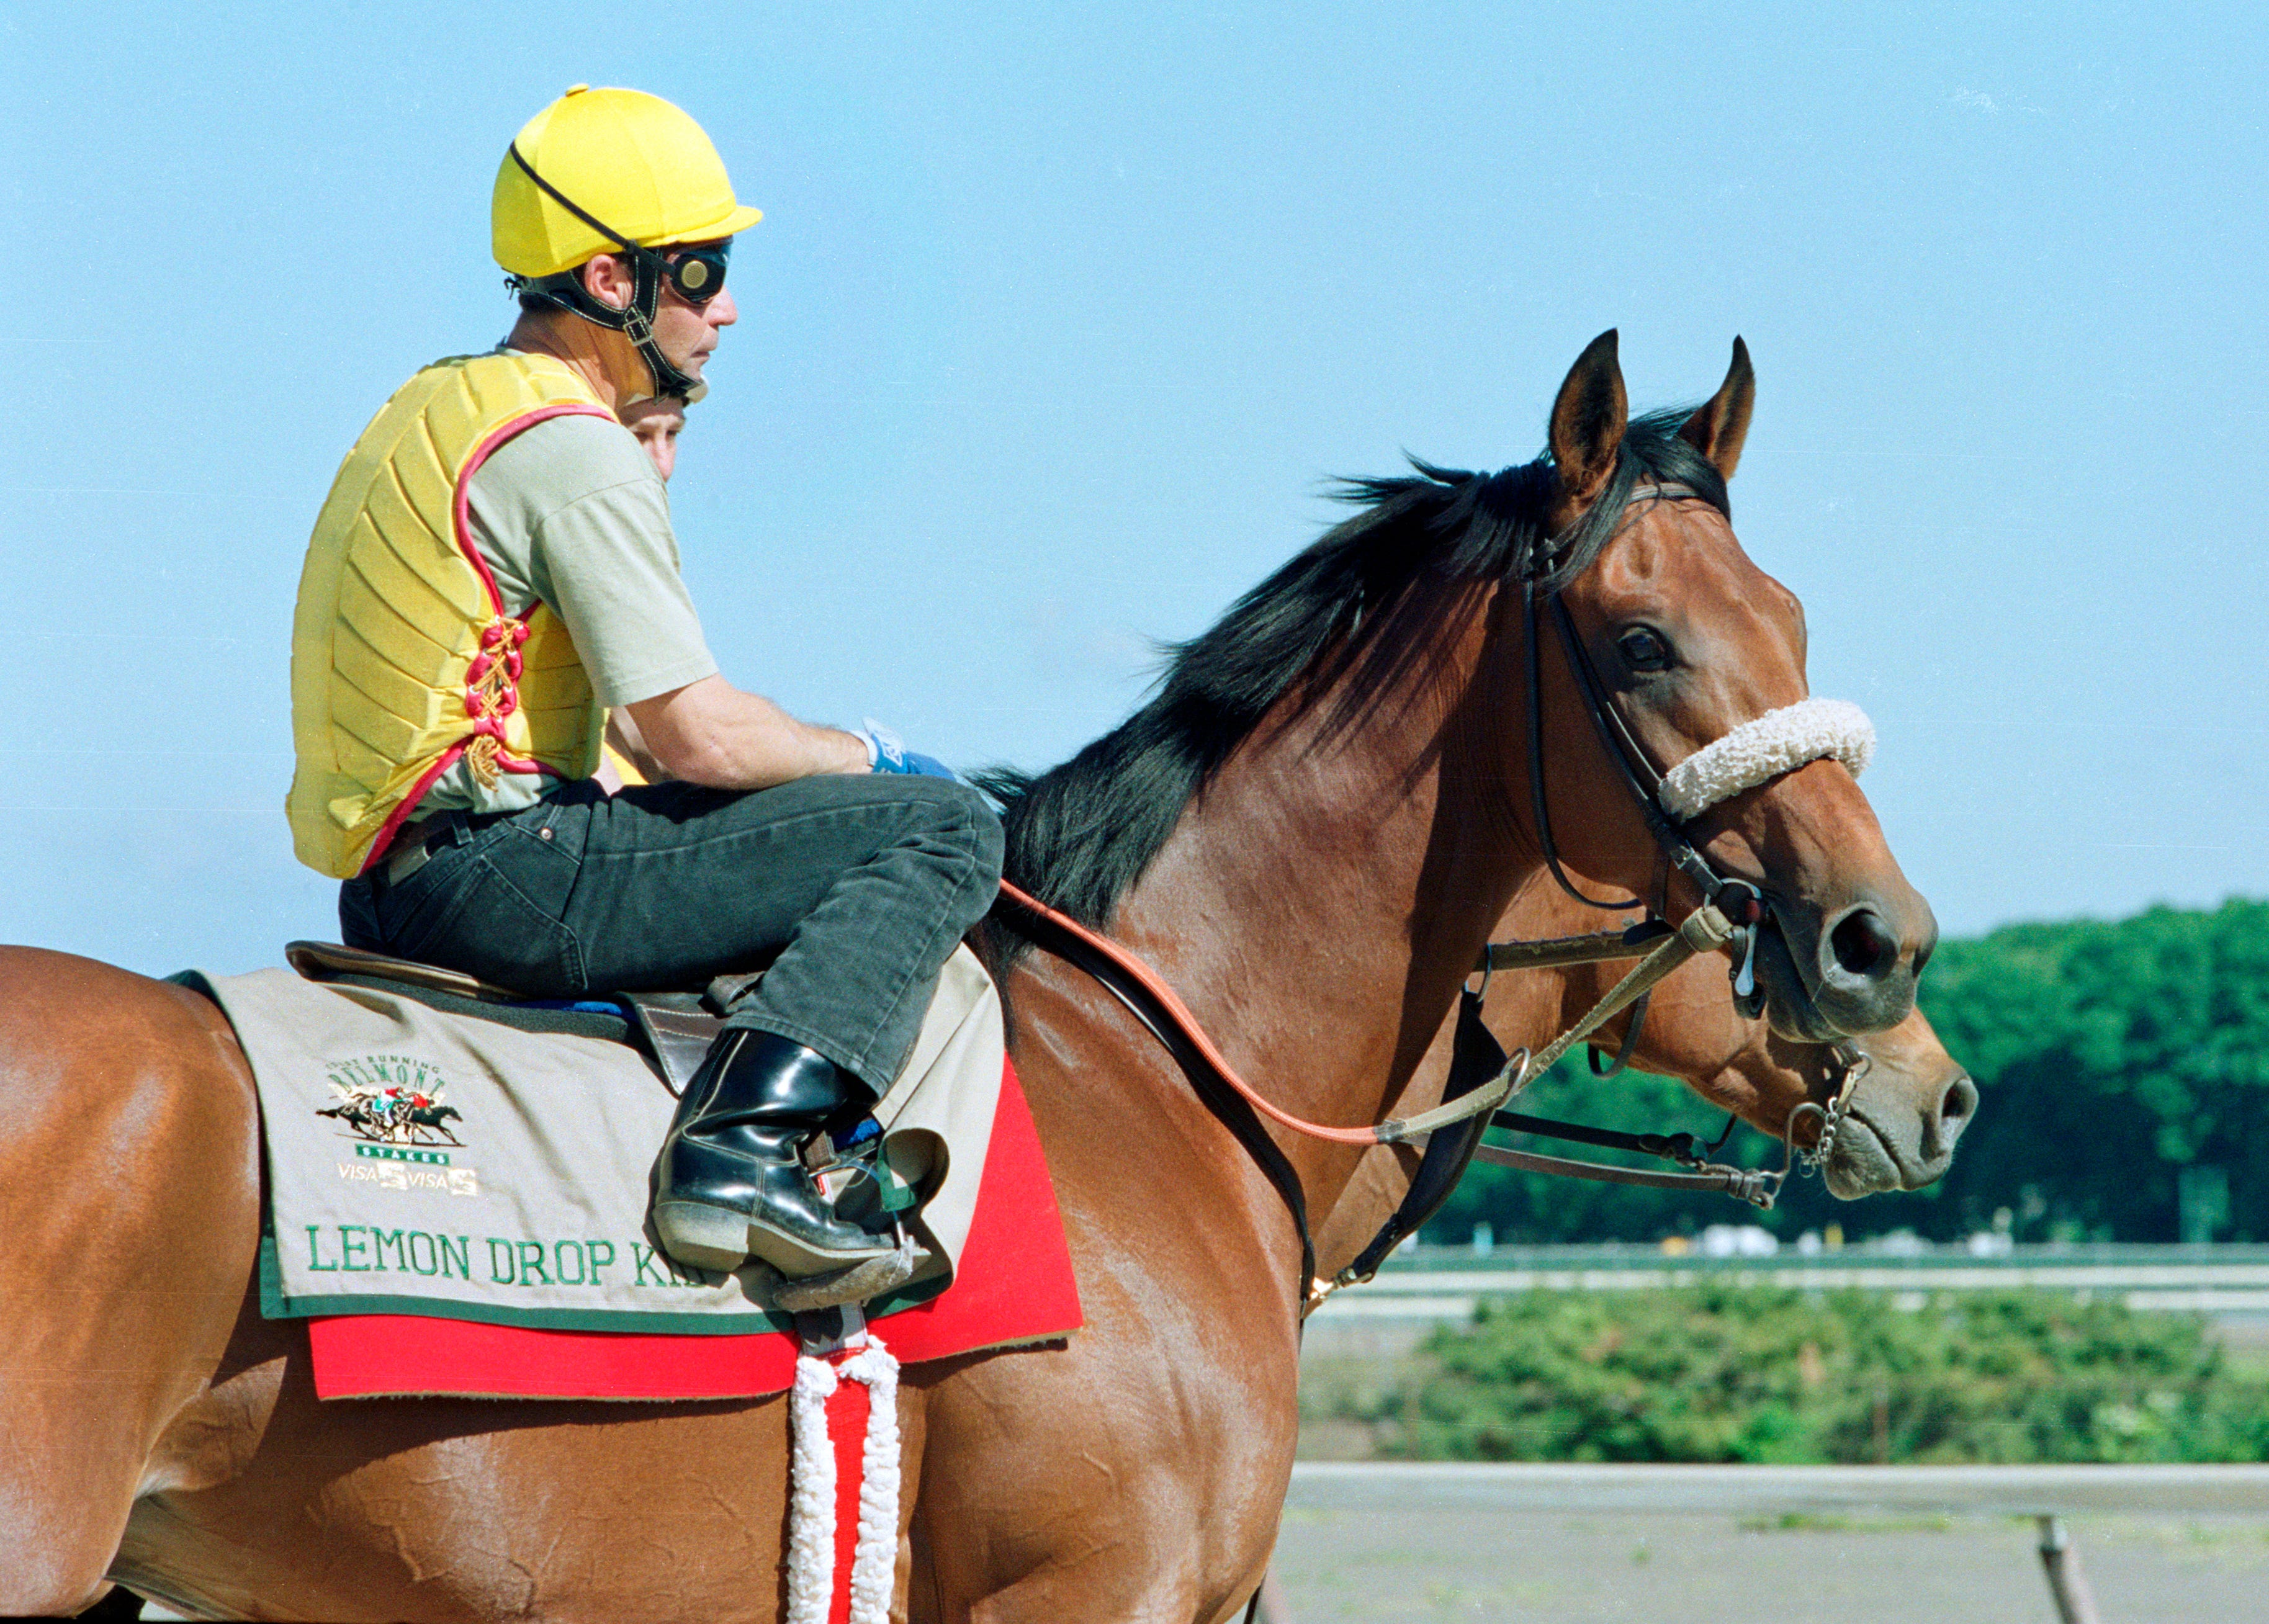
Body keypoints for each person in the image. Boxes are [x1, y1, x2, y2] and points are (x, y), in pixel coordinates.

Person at [286, 86, 1003, 1281]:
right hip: (504, 874)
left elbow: (613, 716)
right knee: (944, 830)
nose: (726, 307)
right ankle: (745, 1151)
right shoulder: (575, 447)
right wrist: (874, 758)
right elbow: (694, 737)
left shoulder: (438, 400)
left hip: (398, 880)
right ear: (611, 283)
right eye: (700, 269)